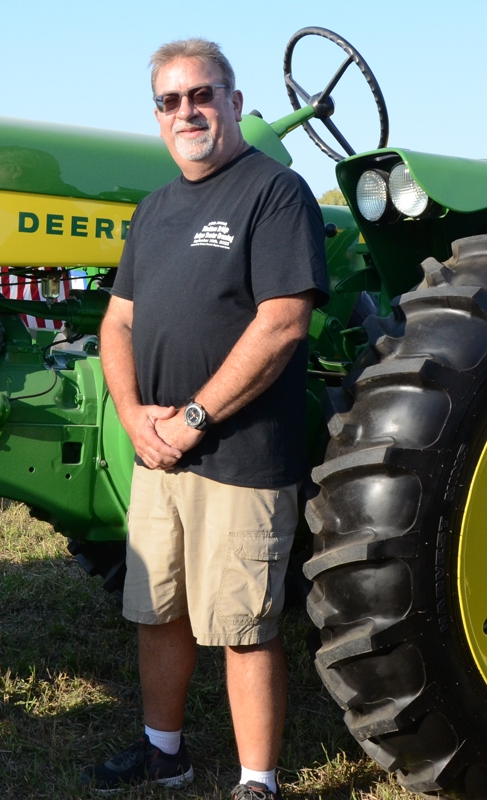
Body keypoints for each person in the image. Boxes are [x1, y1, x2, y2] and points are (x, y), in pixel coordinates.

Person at [83, 37, 329, 800]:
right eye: (170, 100)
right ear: (157, 116)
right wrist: (133, 418)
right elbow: (116, 323)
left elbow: (284, 320)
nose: (186, 111)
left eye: (201, 95)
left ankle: (258, 781)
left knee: (244, 624)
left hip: (241, 453)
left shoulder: (275, 193)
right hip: (161, 452)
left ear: (234, 103)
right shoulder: (155, 210)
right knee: (157, 611)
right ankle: (165, 753)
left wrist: (193, 416)